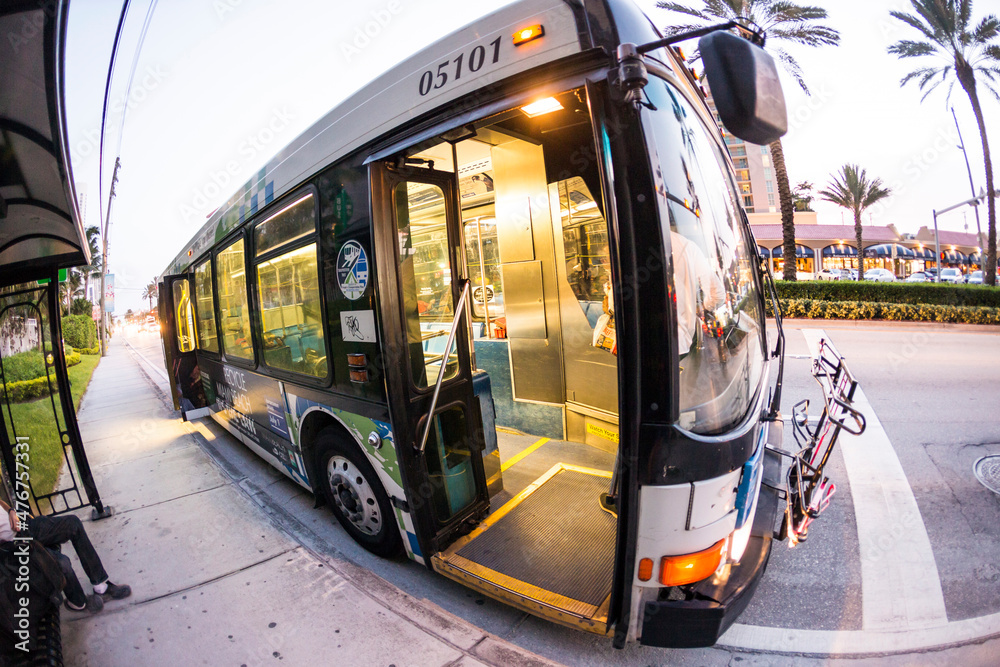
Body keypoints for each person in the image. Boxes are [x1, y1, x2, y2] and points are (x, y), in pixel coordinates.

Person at [1, 499, 131, 613]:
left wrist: (11, 511)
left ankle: (101, 585)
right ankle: (77, 602)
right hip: (13, 548)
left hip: (25, 528)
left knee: (73, 523)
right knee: (62, 563)